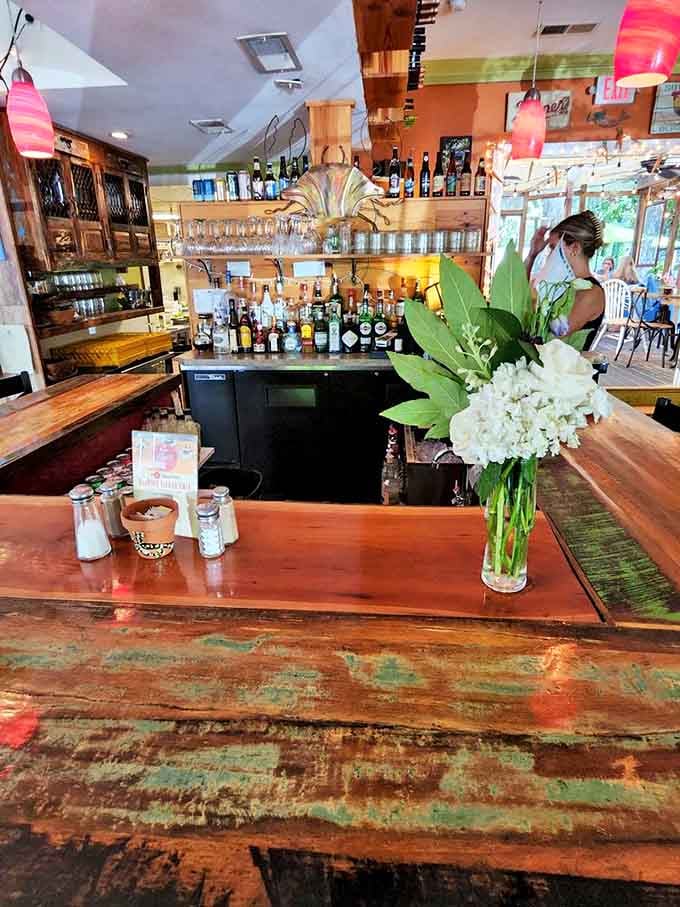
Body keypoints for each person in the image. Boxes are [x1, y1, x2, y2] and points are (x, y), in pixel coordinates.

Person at [525, 210, 606, 350]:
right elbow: (519, 297)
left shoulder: (591, 293)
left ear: (574, 247)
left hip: (564, 370)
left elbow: (550, 336)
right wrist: (532, 255)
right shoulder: (560, 284)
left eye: (552, 248)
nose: (549, 254)